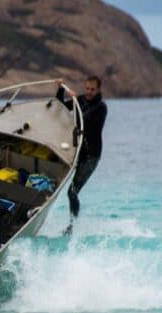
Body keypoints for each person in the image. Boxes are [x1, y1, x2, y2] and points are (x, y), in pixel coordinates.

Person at [56, 75, 108, 224]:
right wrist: (60, 89)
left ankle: (73, 225)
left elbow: (87, 121)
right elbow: (60, 107)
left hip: (91, 156)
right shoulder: (81, 100)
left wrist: (75, 102)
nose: (89, 92)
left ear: (98, 90)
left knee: (72, 192)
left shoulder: (101, 107)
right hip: (78, 150)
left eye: (92, 89)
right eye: (87, 88)